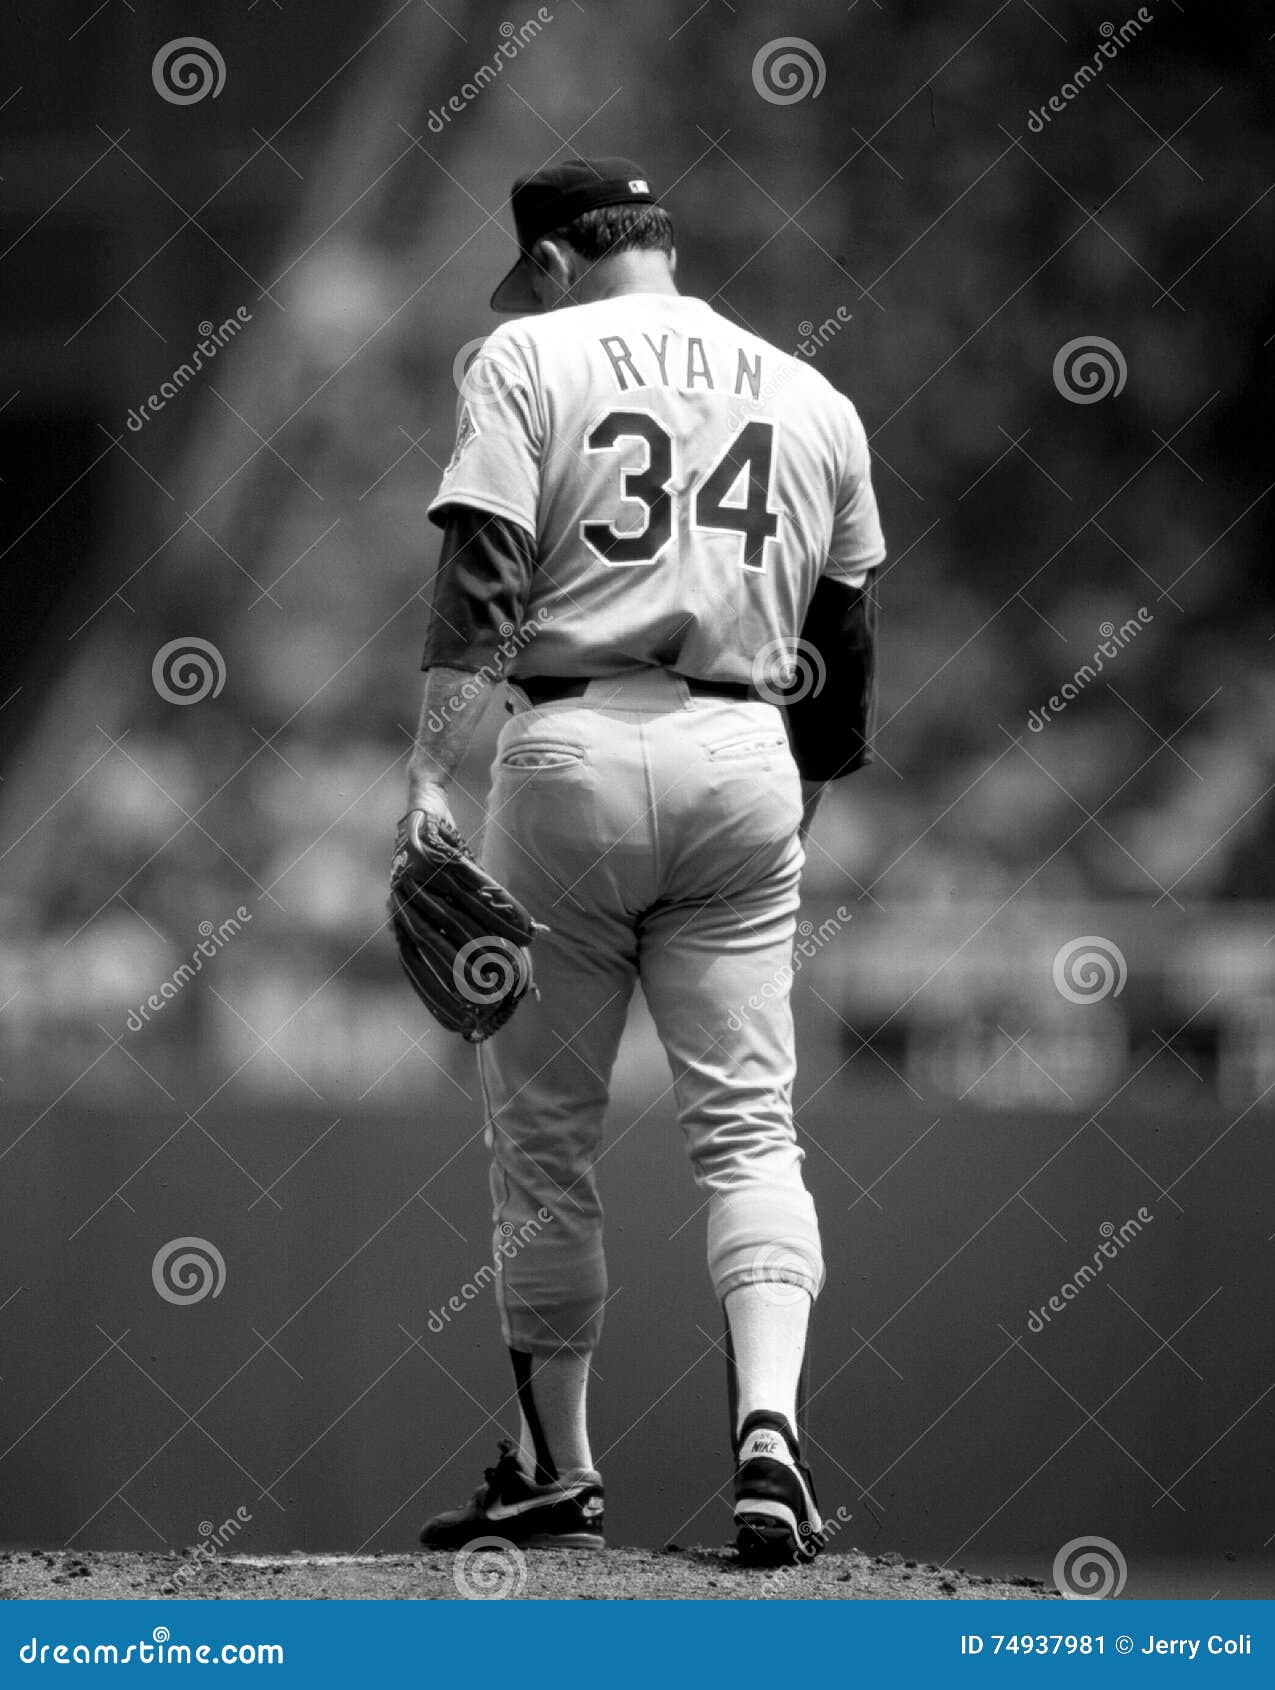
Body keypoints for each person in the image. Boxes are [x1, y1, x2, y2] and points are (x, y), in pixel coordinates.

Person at [402, 156, 884, 1564]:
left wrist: (430, 770)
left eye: (531, 276)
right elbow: (843, 649)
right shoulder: (812, 394)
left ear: (556, 262)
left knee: (545, 1141)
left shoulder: (523, 355)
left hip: (569, 754)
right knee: (750, 1129)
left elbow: (484, 577)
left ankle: (559, 1471)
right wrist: (796, 800)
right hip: (746, 750)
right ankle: (771, 1433)